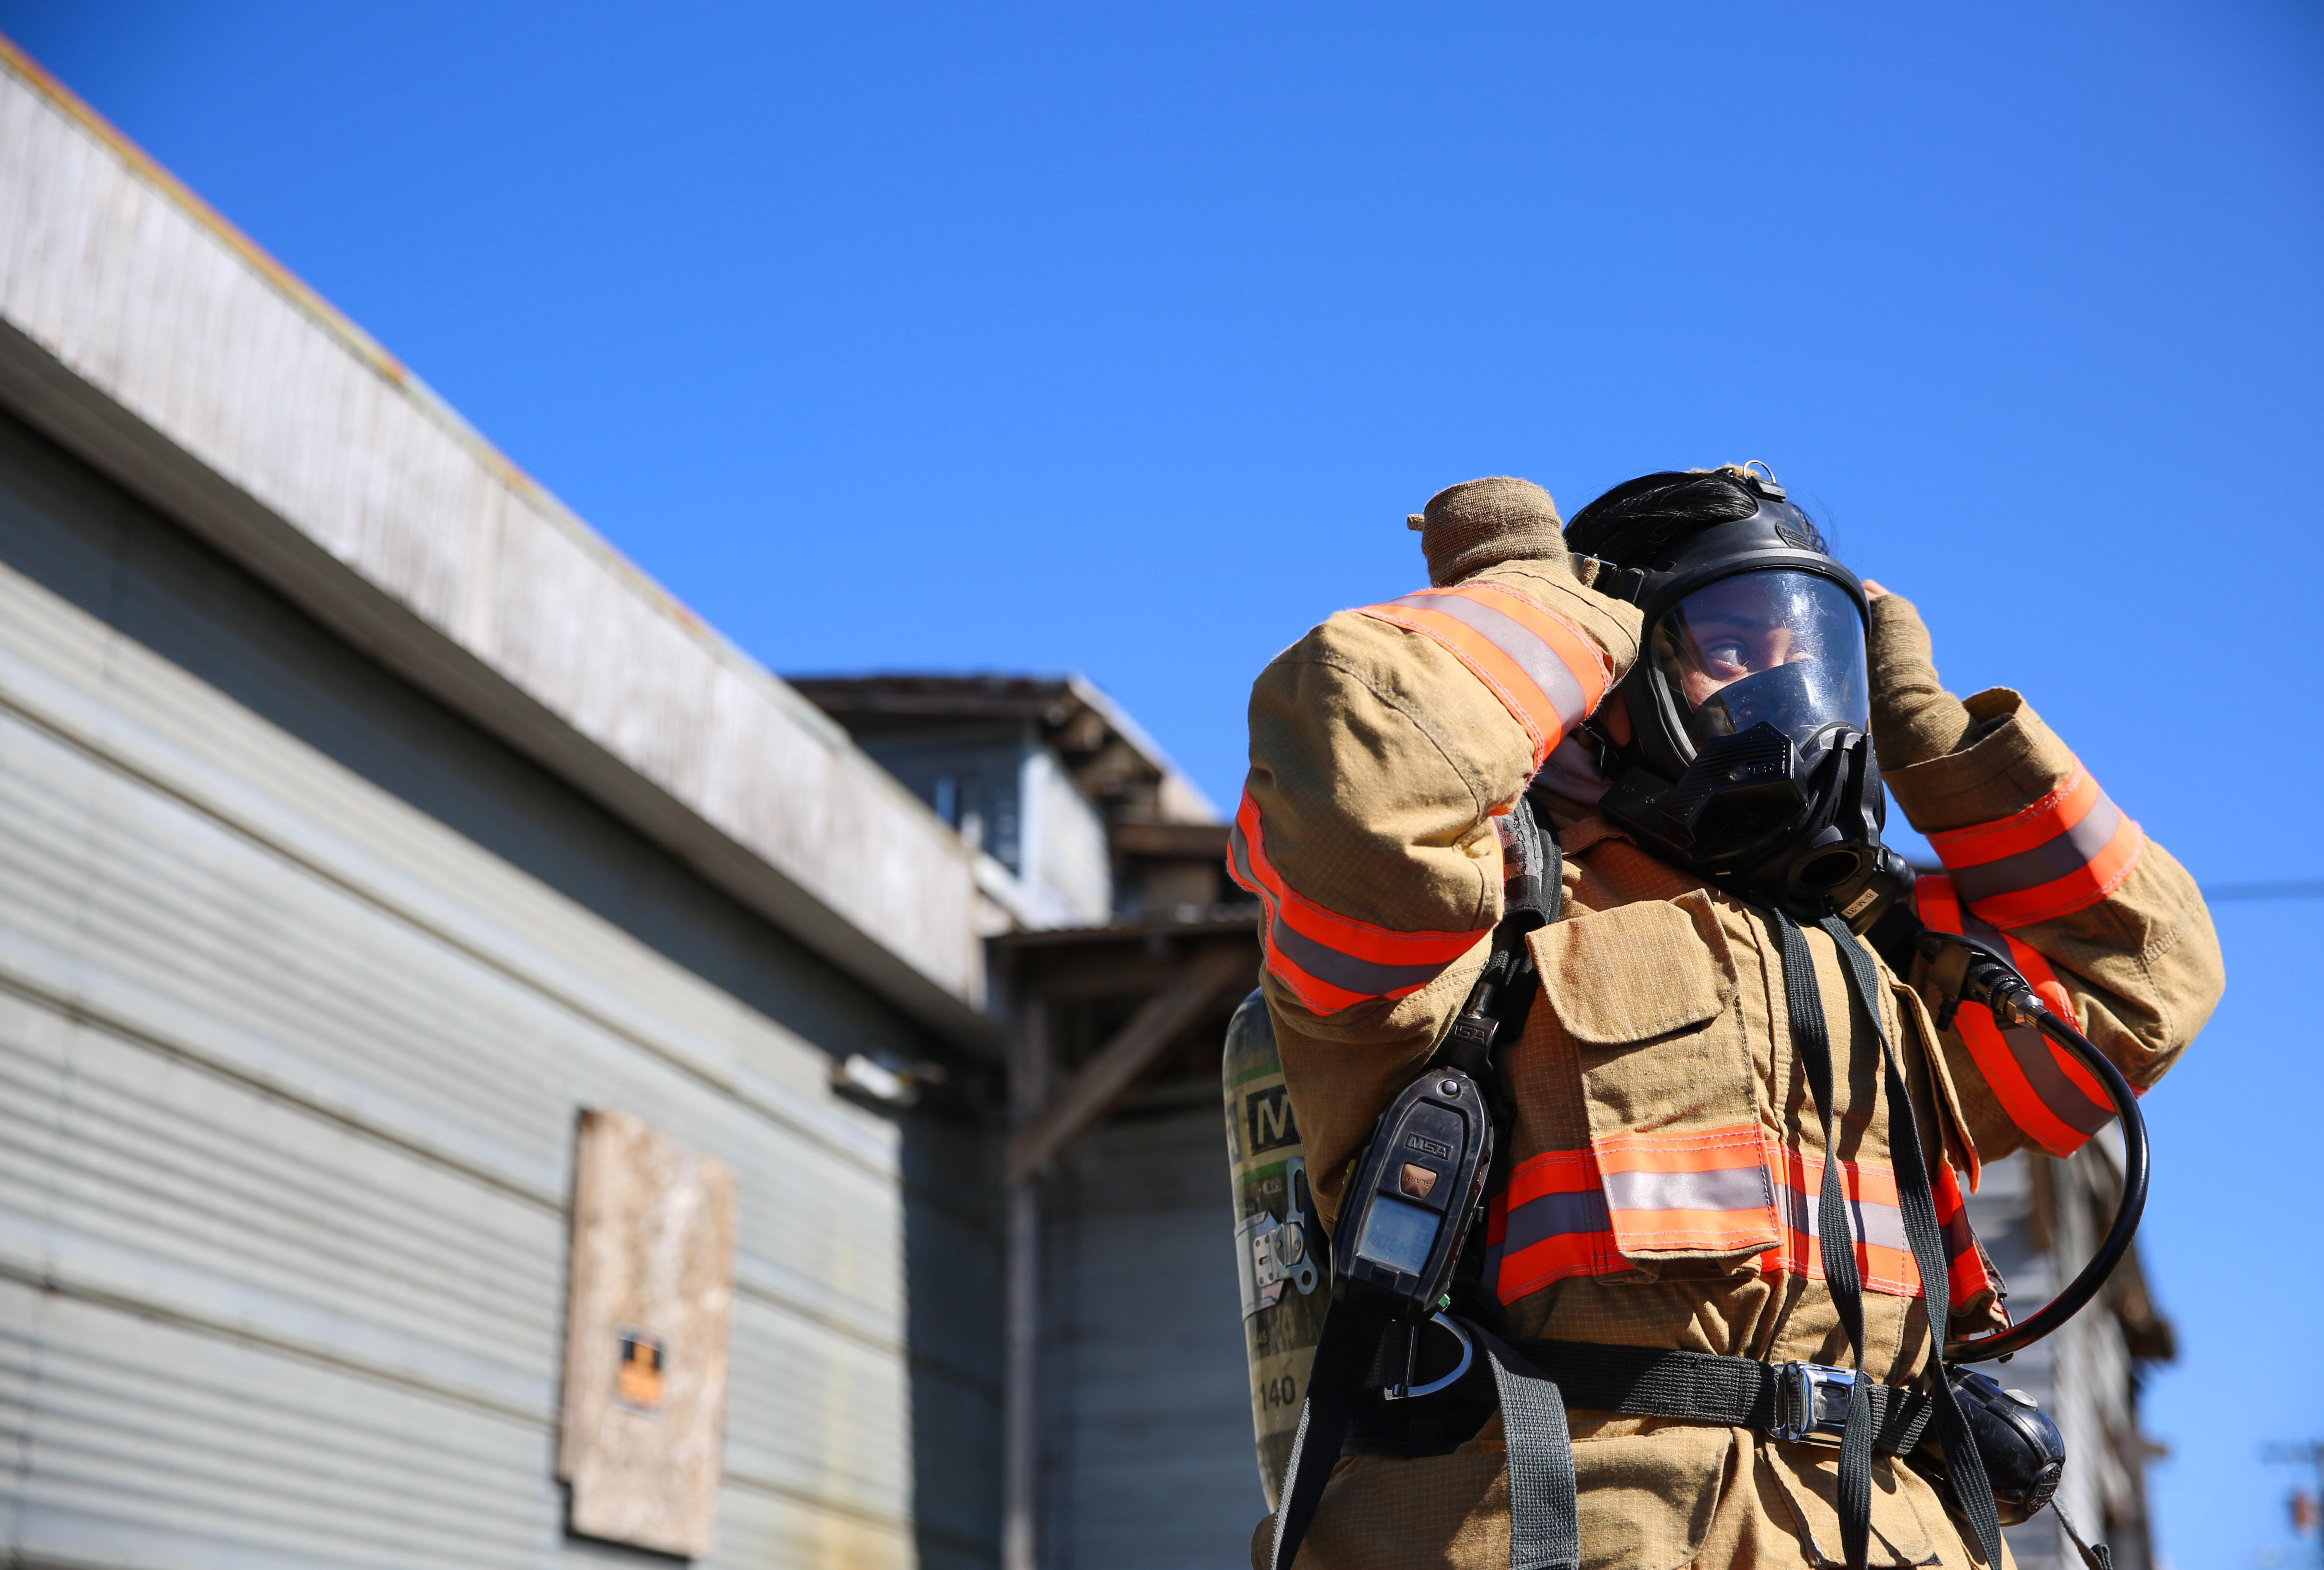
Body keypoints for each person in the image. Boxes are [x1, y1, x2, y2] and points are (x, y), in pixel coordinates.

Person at [1227, 467, 2222, 1570]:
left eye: (1808, 647)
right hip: (1561, 1519)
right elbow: (1353, 806)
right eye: (1733, 644)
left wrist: (1928, 732)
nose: (1785, 678)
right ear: (1617, 672)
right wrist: (1544, 600)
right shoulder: (1482, 918)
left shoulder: (1874, 958)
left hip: (1882, 1531)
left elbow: (2145, 980)